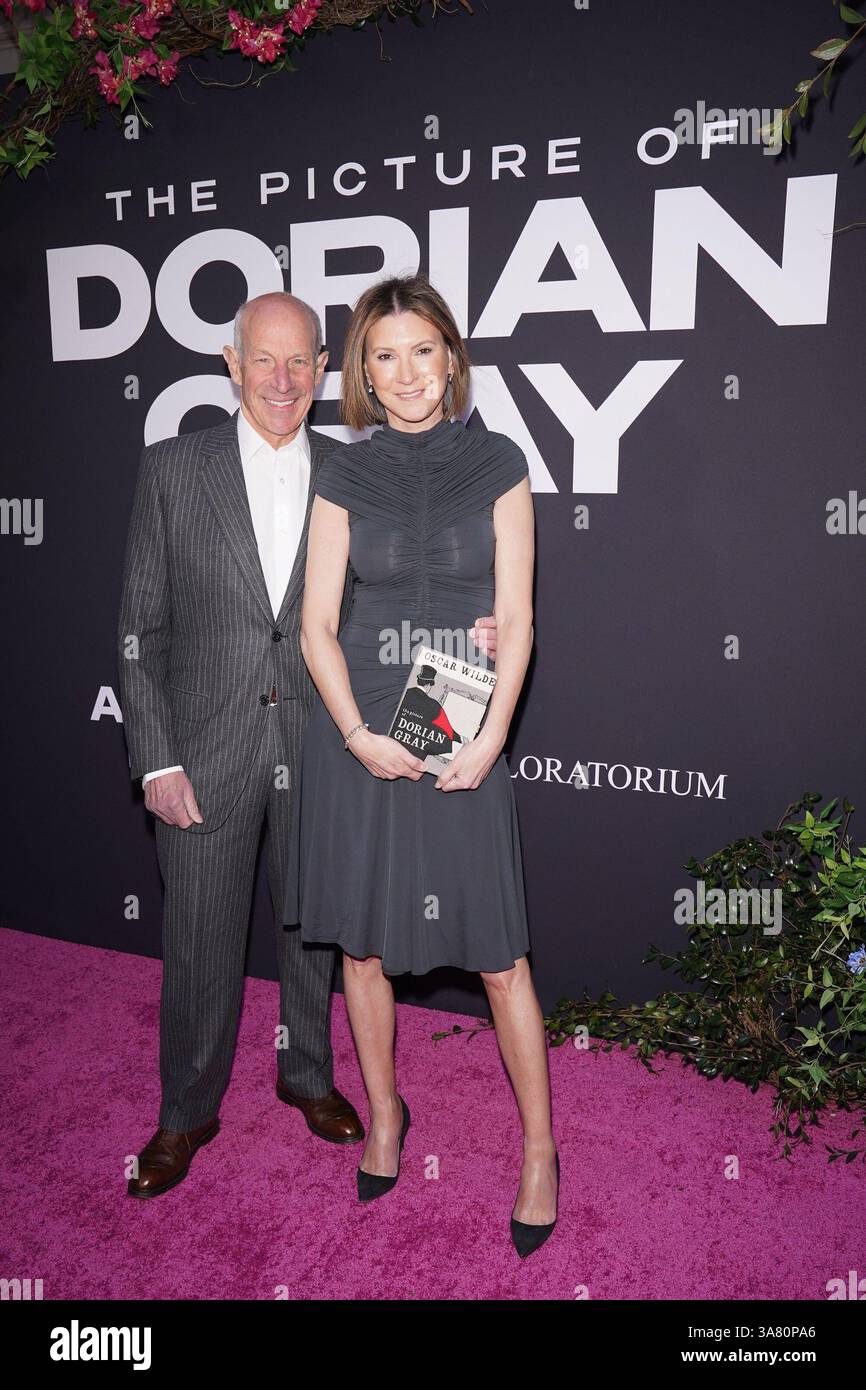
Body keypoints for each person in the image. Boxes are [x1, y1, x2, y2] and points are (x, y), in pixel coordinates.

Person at [116, 289, 503, 1198]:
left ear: (326, 369)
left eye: (301, 362)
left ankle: (311, 1078)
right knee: (200, 936)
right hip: (205, 748)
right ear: (231, 363)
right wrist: (156, 757)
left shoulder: (354, 468)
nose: (283, 380)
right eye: (264, 359)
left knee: (316, 932)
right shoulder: (174, 468)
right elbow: (140, 627)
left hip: (327, 741)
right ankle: (184, 1113)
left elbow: (396, 598)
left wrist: (478, 632)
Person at [283, 272, 559, 1256]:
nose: (404, 375)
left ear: (450, 354)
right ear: (363, 369)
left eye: (420, 351)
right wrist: (357, 732)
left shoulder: (498, 460)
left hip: (456, 707)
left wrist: (486, 737)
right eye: (382, 356)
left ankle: (538, 1151)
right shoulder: (341, 474)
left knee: (497, 957)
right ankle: (388, 1114)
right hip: (360, 724)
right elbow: (316, 624)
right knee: (360, 949)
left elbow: (517, 616)